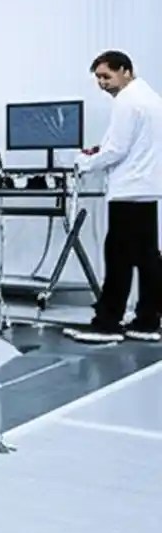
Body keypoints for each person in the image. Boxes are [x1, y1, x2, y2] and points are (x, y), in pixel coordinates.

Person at [64, 50, 162, 343]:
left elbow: (116, 150)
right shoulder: (152, 100)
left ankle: (107, 322)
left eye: (106, 76)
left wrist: (84, 161)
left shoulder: (127, 102)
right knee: (147, 258)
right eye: (98, 78)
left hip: (128, 191)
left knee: (118, 257)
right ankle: (148, 320)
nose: (102, 83)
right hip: (147, 189)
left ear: (126, 71)